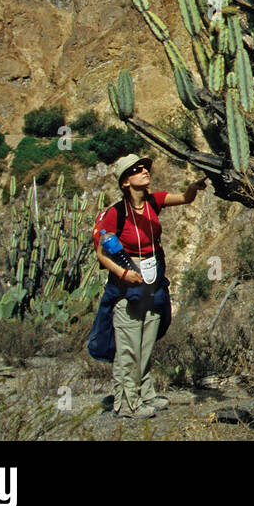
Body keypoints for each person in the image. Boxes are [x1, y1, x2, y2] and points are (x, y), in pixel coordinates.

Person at [91, 153, 207, 419]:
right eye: (136, 169)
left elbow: (186, 199)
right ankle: (126, 403)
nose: (144, 170)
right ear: (125, 182)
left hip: (153, 278)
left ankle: (144, 392)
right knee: (129, 343)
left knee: (147, 338)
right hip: (128, 282)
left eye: (144, 167)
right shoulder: (116, 213)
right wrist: (123, 272)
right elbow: (101, 253)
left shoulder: (154, 202)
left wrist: (194, 187)